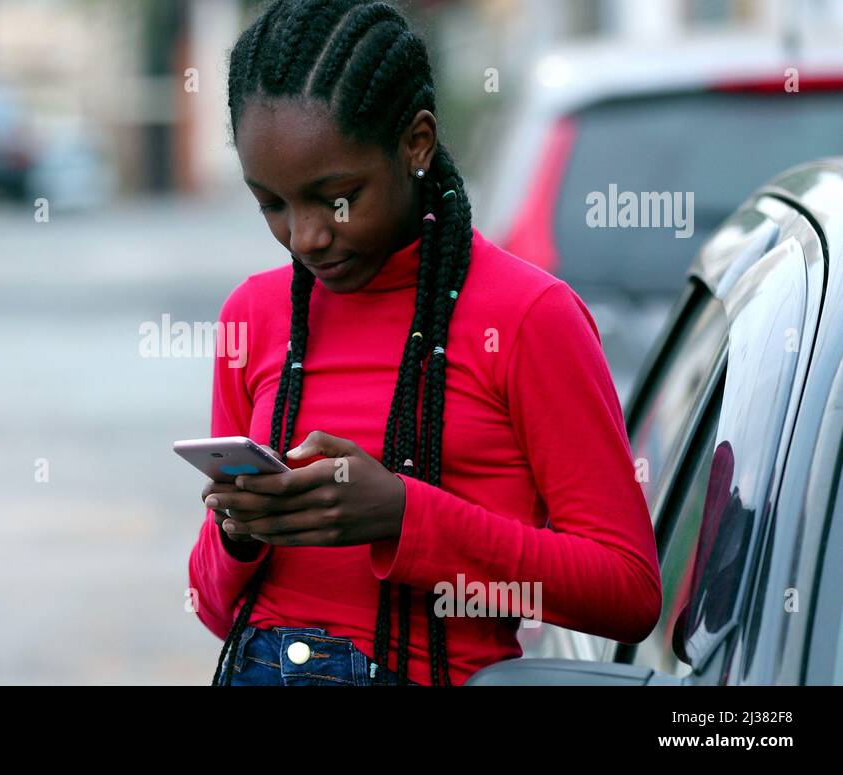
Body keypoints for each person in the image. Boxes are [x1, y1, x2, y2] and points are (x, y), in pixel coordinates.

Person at [187, 0, 662, 686]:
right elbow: (210, 604)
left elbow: (626, 589)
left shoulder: (531, 317)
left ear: (416, 143)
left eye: (338, 196)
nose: (306, 236)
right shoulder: (254, 316)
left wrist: (406, 515)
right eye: (274, 204)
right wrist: (238, 532)